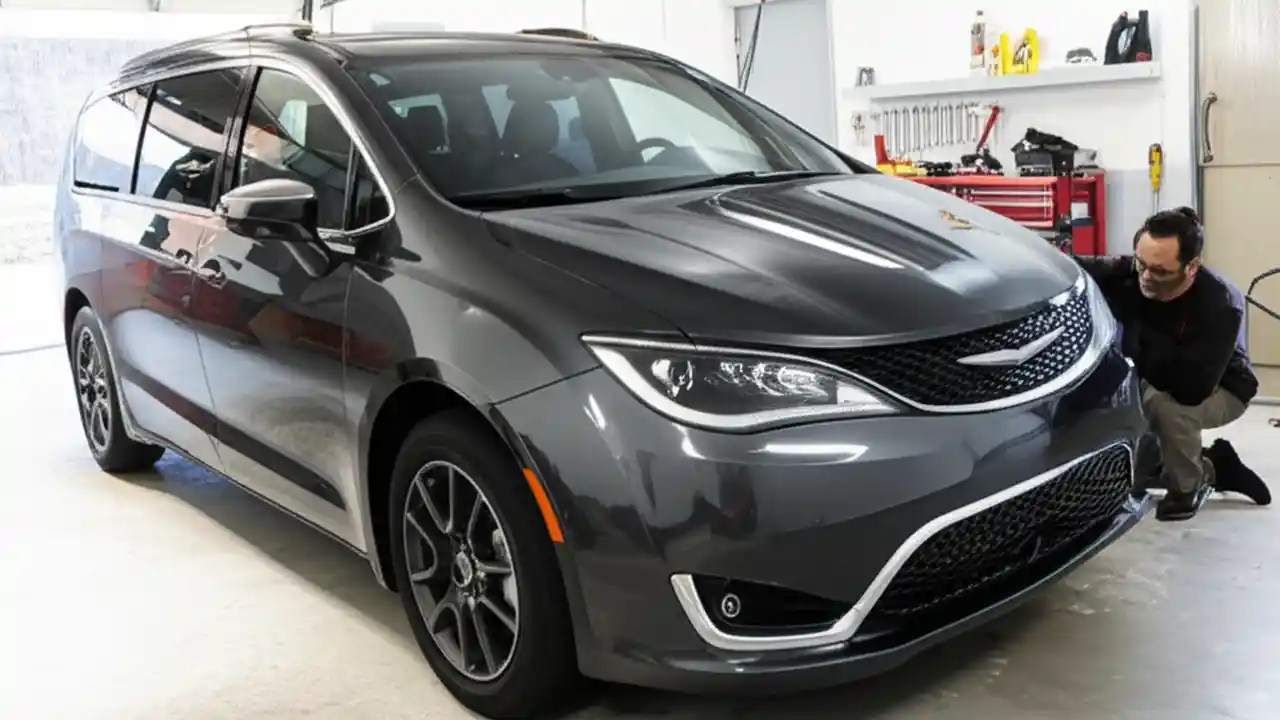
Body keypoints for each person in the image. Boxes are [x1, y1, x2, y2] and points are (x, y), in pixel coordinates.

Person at [1077, 207, 1270, 521]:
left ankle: (1191, 484)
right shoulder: (1134, 271)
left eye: (1161, 271)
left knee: (1164, 405)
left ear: (1191, 267)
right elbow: (1073, 268)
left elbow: (1192, 388)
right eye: (1142, 265)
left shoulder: (1219, 305)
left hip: (1222, 388)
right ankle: (1174, 463)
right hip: (1163, 372)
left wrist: (1137, 337)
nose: (1147, 277)